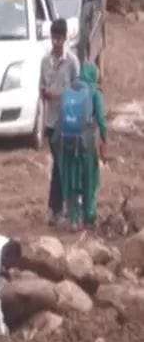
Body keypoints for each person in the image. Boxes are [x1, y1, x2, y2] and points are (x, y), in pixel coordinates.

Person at [39, 18, 80, 226]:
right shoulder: (45, 61)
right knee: (59, 164)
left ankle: (58, 208)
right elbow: (41, 89)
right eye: (53, 37)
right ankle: (57, 208)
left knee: (63, 165)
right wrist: (47, 94)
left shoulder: (72, 62)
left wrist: (60, 96)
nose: (56, 42)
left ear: (65, 38)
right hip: (52, 122)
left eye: (59, 38)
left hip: (68, 122)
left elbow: (78, 91)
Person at [59, 62, 108, 230]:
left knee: (72, 178)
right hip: (86, 145)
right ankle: (89, 217)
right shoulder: (95, 92)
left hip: (68, 142)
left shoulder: (71, 88)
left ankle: (73, 218)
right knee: (89, 179)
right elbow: (102, 120)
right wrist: (104, 140)